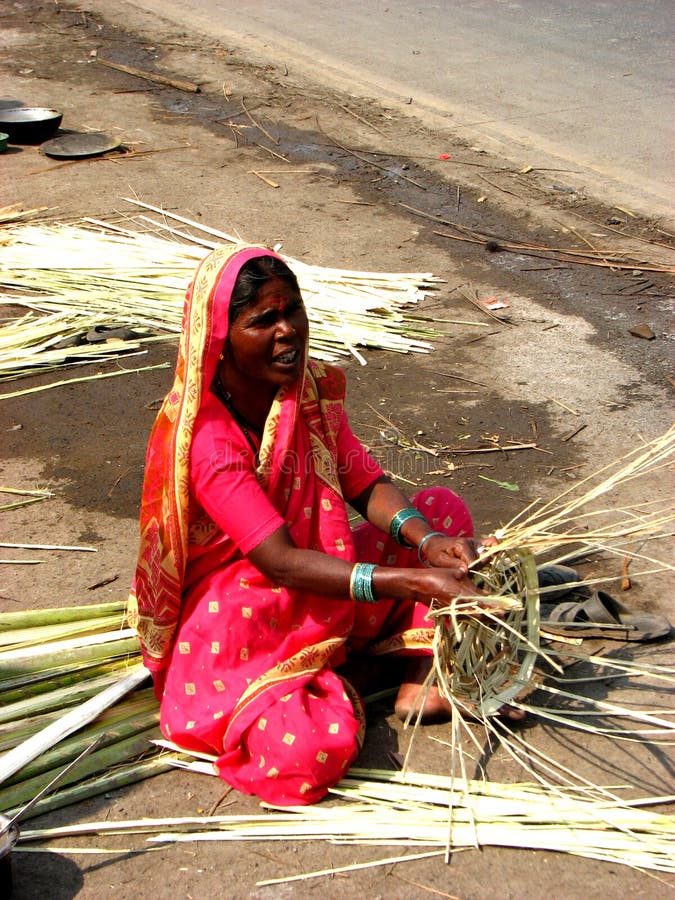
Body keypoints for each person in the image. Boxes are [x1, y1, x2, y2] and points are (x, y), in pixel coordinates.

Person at [125, 245, 529, 806]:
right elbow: (280, 562)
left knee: (441, 511)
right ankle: (351, 675)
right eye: (263, 320)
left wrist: (428, 542)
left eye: (292, 311)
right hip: (246, 607)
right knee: (308, 750)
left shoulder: (305, 390)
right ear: (220, 337)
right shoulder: (207, 438)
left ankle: (413, 683)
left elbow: (362, 479)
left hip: (323, 572)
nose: (287, 331)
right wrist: (412, 583)